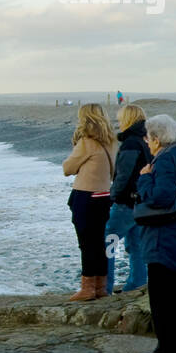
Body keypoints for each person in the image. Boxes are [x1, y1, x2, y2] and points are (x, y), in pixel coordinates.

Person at [134, 115, 176, 353]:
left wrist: (144, 177)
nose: (147, 142)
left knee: (162, 295)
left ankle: (167, 350)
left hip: (164, 234)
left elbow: (160, 197)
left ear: (157, 139)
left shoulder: (166, 160)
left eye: (148, 138)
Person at [62, 103, 118, 300]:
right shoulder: (111, 141)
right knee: (98, 243)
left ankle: (87, 288)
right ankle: (100, 287)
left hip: (86, 196)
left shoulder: (87, 142)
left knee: (86, 243)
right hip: (104, 196)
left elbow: (67, 168)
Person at [105, 104, 151, 294]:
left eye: (120, 118)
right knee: (137, 245)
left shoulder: (131, 143)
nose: (119, 122)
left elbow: (123, 175)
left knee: (107, 241)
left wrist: (114, 196)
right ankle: (137, 284)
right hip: (142, 201)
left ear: (128, 119)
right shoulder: (146, 139)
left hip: (126, 203)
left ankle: (104, 286)